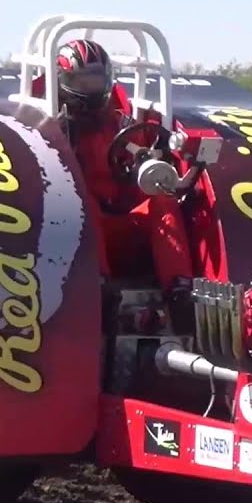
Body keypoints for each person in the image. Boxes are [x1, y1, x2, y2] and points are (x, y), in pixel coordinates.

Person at [34, 39, 195, 322]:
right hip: (78, 230)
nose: (91, 88)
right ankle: (100, 287)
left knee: (162, 203)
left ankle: (180, 290)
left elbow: (144, 157)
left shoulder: (120, 122)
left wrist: (150, 157)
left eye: (96, 80)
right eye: (83, 81)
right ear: (63, 80)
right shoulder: (48, 127)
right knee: (87, 205)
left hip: (122, 220)